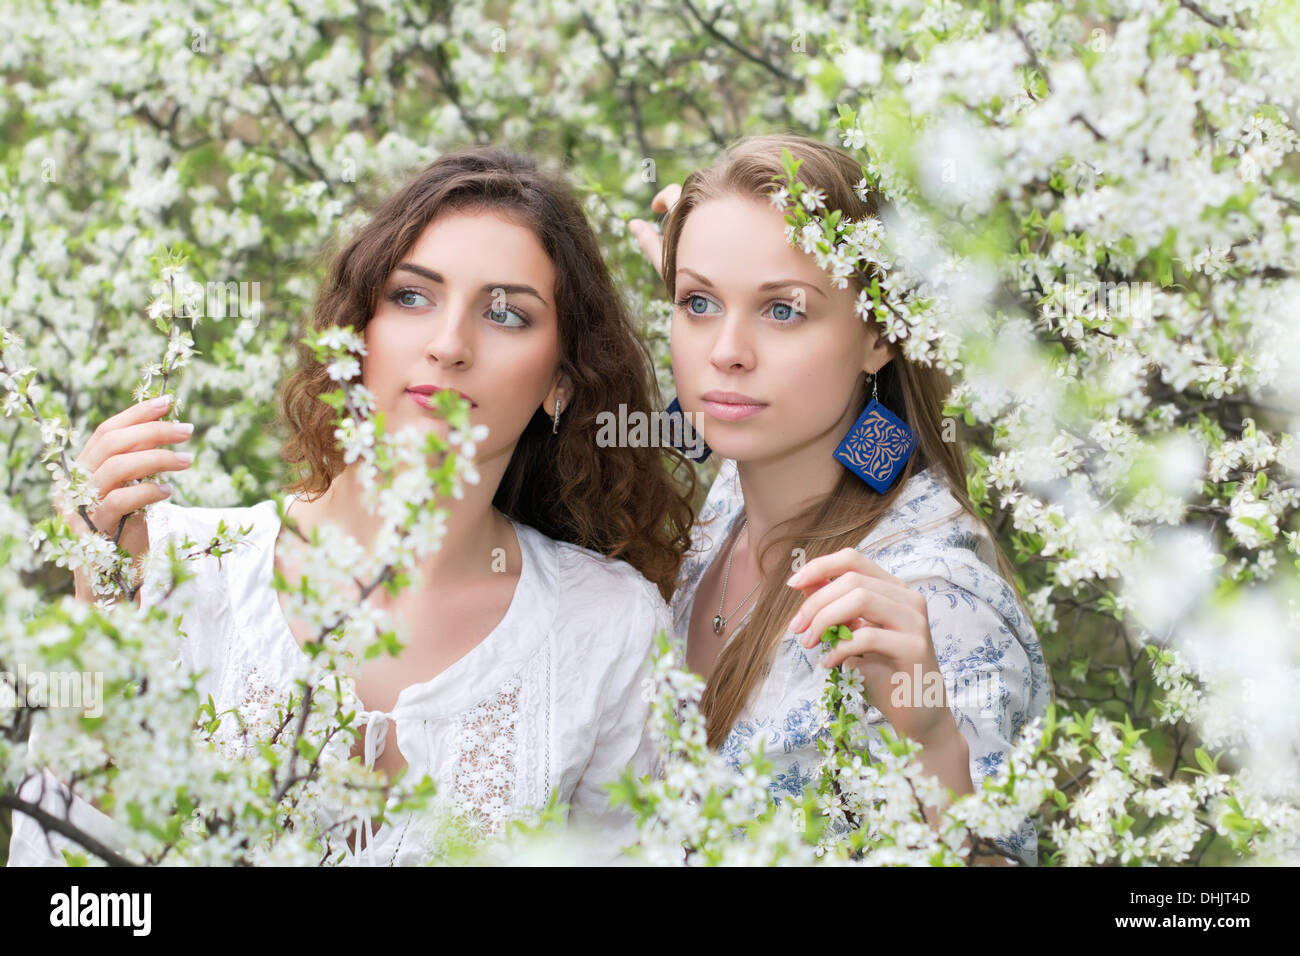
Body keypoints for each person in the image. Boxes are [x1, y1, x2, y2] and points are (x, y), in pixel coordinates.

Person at [8, 146, 696, 867]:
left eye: (507, 315)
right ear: (356, 332)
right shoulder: (174, 568)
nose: (449, 345)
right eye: (411, 296)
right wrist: (97, 612)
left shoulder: (606, 626)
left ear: (561, 379)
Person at [629, 133, 1053, 865]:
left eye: (784, 311)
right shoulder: (766, 473)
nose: (726, 351)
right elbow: (717, 404)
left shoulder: (935, 604)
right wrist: (729, 270)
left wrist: (934, 743)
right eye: (695, 303)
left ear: (879, 337)